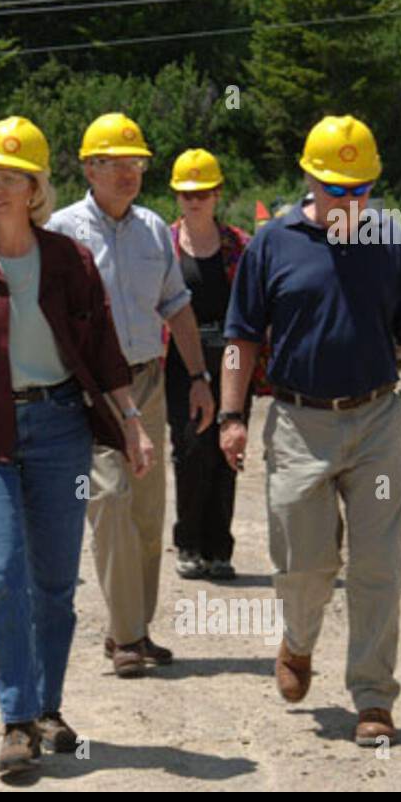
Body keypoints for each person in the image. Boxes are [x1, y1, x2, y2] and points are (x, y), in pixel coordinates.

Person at [0, 116, 153, 777]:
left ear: (38, 187)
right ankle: (15, 720)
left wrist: (131, 420)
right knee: (4, 572)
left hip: (60, 428)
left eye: (12, 178)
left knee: (52, 582)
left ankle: (47, 707)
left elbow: (102, 349)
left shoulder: (69, 260)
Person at [219, 115, 401, 746]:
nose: (348, 202)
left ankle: (374, 697)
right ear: (309, 180)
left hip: (377, 421)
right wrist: (232, 415)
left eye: (360, 190)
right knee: (304, 563)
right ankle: (298, 642)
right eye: (335, 189)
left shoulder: (389, 244)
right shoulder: (272, 244)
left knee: (379, 565)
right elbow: (241, 338)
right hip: (299, 425)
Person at [47, 113, 215, 679]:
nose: (130, 173)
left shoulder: (151, 231)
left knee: (146, 513)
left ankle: (134, 629)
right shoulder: (63, 232)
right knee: (111, 502)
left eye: (137, 163)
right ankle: (125, 634)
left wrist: (199, 377)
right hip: (89, 390)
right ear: (89, 168)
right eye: (117, 164)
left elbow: (176, 306)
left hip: (146, 379)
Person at [164, 148, 258, 581]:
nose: (194, 199)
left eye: (202, 192)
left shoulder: (239, 245)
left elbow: (256, 309)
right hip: (182, 360)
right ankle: (188, 544)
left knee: (227, 450)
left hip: (233, 358)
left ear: (218, 193)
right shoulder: (164, 245)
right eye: (186, 192)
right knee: (189, 450)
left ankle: (220, 548)